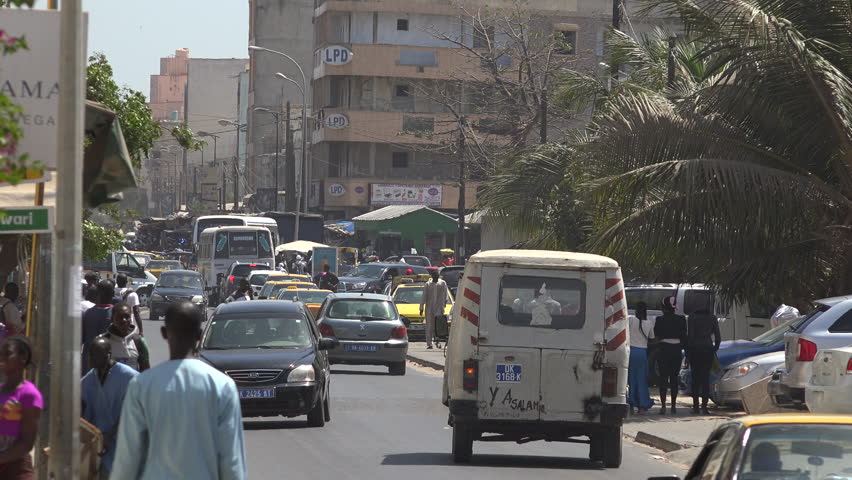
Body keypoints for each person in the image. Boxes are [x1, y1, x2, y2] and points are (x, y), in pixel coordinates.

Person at [111, 302, 247, 479]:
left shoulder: (142, 385)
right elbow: (232, 461)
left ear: (164, 333)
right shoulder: (222, 386)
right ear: (199, 335)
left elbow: (127, 459)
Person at [81, 337, 138, 478]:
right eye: (90, 354)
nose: (91, 358)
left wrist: (110, 434)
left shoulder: (128, 376)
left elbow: (130, 409)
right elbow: (81, 408)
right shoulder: (88, 380)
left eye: (96, 355)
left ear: (108, 355)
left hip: (121, 445)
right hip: (97, 446)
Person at [0, 336, 42, 478]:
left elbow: (26, 444)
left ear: (22, 358)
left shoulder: (29, 395)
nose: (2, 358)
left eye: (8, 353)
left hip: (16, 470)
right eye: (1, 353)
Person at [653, 296, 687, 415]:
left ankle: (663, 406)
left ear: (664, 308)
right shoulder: (681, 319)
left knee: (663, 378)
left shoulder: (659, 320)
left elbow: (656, 335)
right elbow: (684, 336)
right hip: (676, 350)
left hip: (664, 350)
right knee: (674, 378)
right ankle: (673, 406)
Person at [687, 304, 721, 414]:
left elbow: (690, 335)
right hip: (707, 348)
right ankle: (704, 407)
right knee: (705, 378)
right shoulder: (712, 318)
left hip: (695, 349)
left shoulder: (692, 317)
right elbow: (718, 337)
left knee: (695, 378)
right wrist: (714, 349)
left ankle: (696, 406)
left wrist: (689, 351)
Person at [97, 303, 150, 372]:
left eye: (127, 317)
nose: (124, 320)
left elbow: (146, 371)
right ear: (112, 319)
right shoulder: (102, 341)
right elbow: (96, 371)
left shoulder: (139, 341)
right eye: (120, 317)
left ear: (130, 319)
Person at [82, 280, 116, 373]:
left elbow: (81, 339)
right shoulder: (116, 314)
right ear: (113, 293)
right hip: (110, 362)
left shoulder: (87, 313)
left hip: (88, 361)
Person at [628, 301, 655, 414]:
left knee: (631, 379)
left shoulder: (630, 320)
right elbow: (652, 339)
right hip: (642, 353)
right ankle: (642, 406)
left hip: (631, 352)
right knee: (641, 380)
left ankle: (630, 404)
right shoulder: (649, 323)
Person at [419, 270, 448, 350]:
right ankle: (429, 343)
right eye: (434, 275)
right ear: (432, 276)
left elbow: (446, 294)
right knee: (429, 326)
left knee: (438, 326)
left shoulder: (442, 283)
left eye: (437, 275)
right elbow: (424, 296)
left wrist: (444, 304)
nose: (436, 277)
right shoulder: (428, 284)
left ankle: (437, 341)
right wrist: (421, 308)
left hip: (439, 307)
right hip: (429, 308)